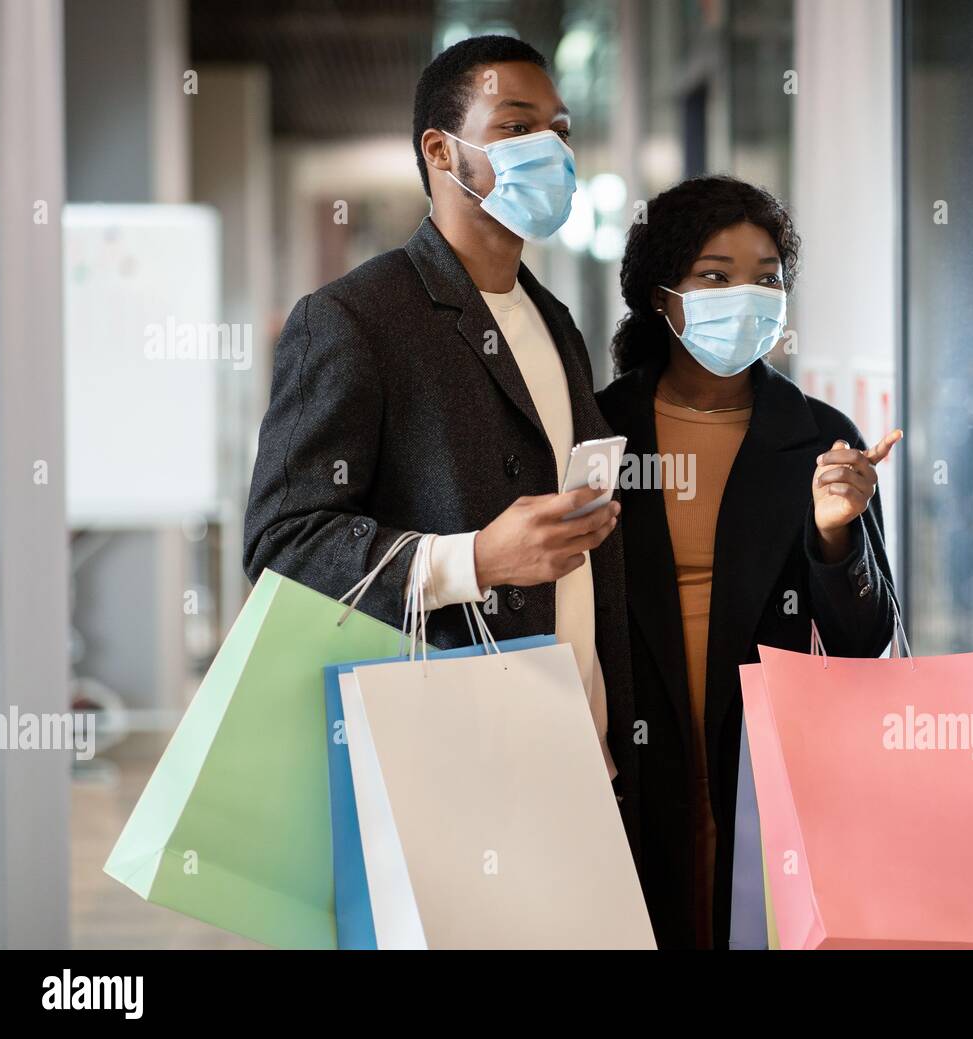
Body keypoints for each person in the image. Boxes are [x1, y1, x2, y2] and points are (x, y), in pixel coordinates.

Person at [242, 36, 639, 853]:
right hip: (440, 760)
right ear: (440, 149)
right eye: (519, 126)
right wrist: (476, 559)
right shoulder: (353, 318)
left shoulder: (554, 320)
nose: (552, 152)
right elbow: (282, 542)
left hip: (575, 748)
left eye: (560, 131)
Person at [596, 176, 901, 949]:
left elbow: (866, 641)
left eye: (767, 277)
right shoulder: (598, 430)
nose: (747, 294)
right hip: (625, 767)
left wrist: (836, 537)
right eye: (716, 275)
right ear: (662, 296)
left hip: (772, 782)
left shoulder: (821, 434)